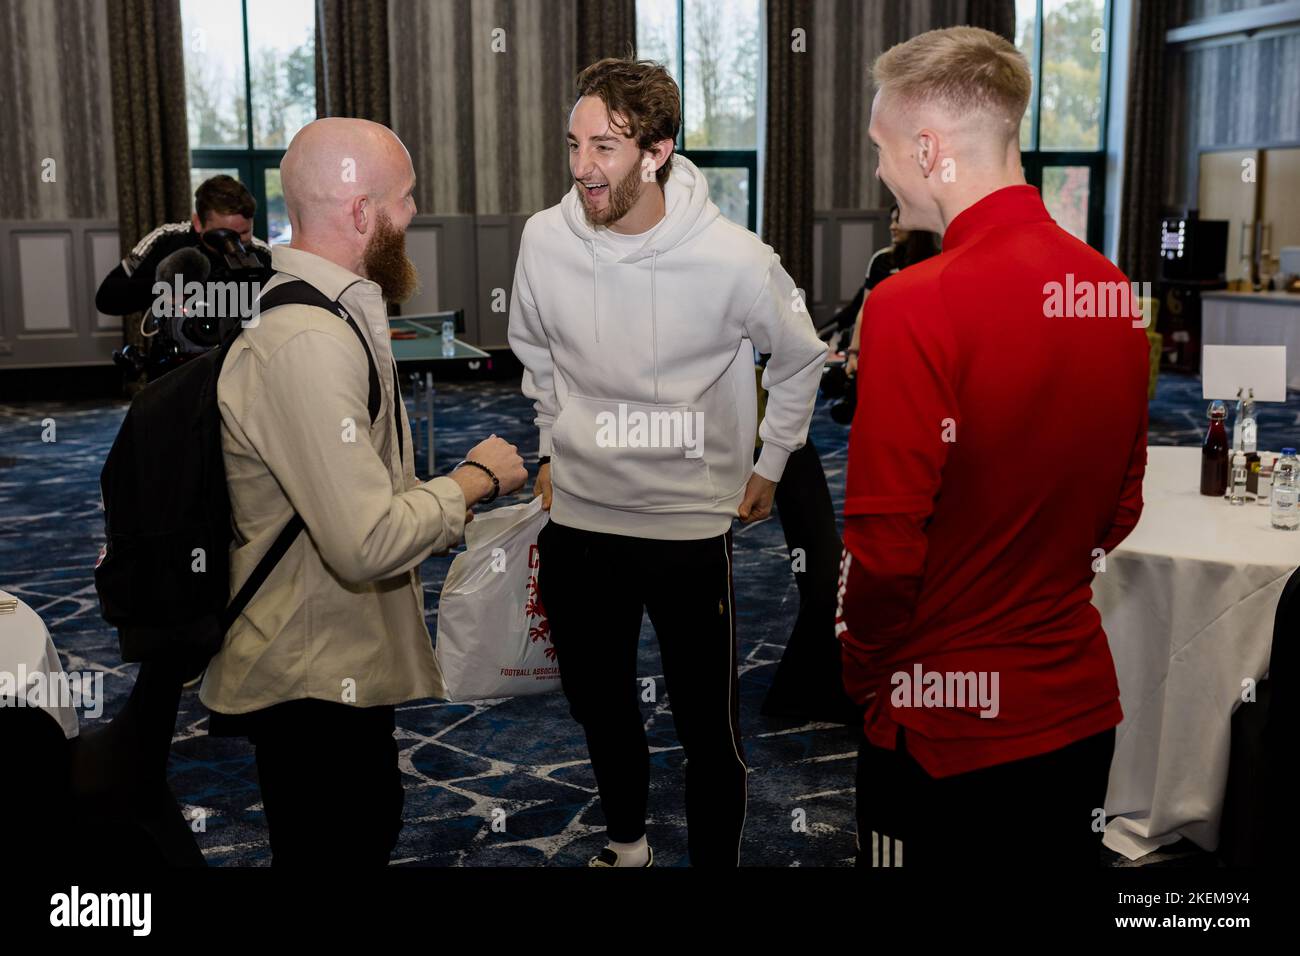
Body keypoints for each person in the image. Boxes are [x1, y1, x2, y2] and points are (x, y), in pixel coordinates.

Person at [838, 27, 1149, 868]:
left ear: (929, 149)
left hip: (940, 732)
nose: (879, 171)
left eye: (883, 147)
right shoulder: (1109, 291)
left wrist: (864, 672)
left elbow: (885, 553)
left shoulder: (912, 304)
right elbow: (1119, 510)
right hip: (1078, 713)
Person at [509, 57, 827, 867]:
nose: (583, 167)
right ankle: (627, 845)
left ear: (657, 151)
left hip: (688, 529)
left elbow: (799, 358)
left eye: (606, 147)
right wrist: (550, 443)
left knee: (704, 724)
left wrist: (772, 460)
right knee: (600, 707)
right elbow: (536, 353)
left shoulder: (737, 259)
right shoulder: (544, 240)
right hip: (580, 519)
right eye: (574, 144)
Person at [200, 118, 527, 866]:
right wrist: (472, 482)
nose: (412, 218)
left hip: (332, 661)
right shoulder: (309, 342)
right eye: (405, 201)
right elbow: (365, 539)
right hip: (308, 678)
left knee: (364, 831)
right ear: (360, 211)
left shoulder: (335, 312)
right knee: (335, 846)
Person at [95, 174, 273, 317]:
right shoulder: (165, 239)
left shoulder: (262, 255)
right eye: (225, 234)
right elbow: (107, 298)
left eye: (244, 232)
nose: (236, 243)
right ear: (198, 223)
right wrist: (166, 286)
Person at [838, 205, 939, 378]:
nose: (892, 227)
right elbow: (865, 309)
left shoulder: (937, 260)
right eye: (891, 220)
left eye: (897, 220)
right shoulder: (882, 260)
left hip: (922, 352)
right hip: (883, 347)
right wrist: (853, 352)